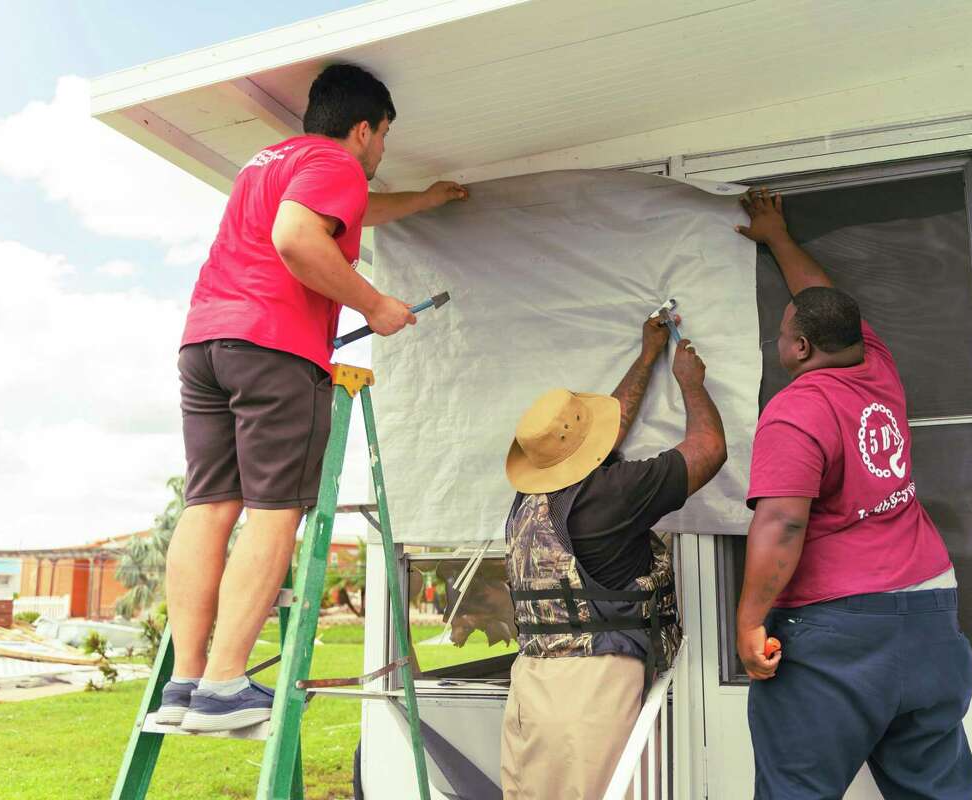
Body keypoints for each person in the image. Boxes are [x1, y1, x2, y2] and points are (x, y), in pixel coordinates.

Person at [153, 64, 468, 733]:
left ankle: (184, 685)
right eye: (382, 137)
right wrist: (376, 303)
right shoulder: (338, 165)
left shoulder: (270, 162)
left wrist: (424, 200)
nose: (381, 153)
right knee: (274, 511)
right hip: (273, 350)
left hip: (206, 344)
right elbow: (298, 238)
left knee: (208, 506)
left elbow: (340, 215)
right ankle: (224, 689)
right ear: (363, 129)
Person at [734, 189, 972, 799]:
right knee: (938, 788)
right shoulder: (876, 363)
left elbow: (783, 524)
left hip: (838, 628)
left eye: (784, 333)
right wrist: (778, 239)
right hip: (930, 614)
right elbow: (824, 300)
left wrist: (748, 621)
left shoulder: (796, 409)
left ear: (798, 350)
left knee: (797, 789)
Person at [499, 317, 727, 800]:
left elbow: (607, 433)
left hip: (532, 688)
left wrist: (647, 357)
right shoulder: (613, 495)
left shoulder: (530, 503)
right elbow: (708, 451)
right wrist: (690, 383)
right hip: (593, 691)